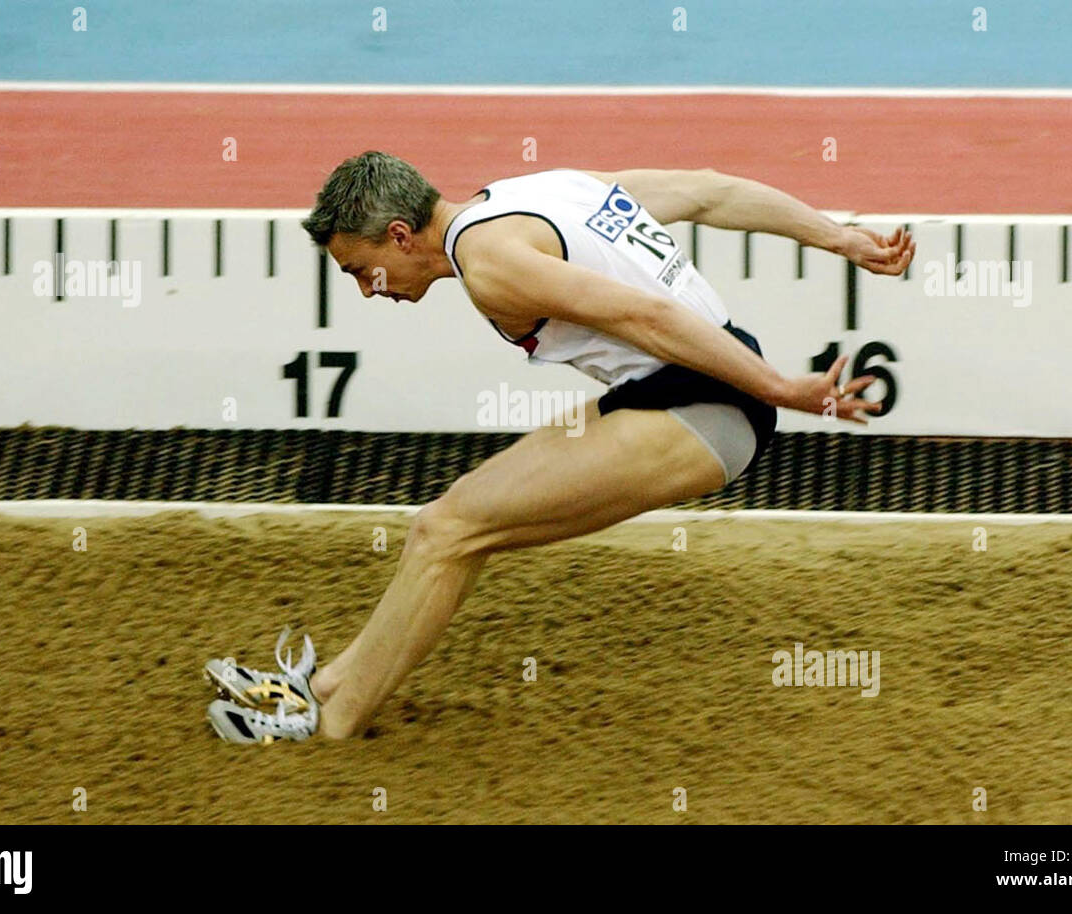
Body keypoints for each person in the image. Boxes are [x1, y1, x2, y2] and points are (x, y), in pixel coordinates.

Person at [204, 151, 914, 744]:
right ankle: (327, 686)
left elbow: (647, 314)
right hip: (675, 392)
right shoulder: (539, 190)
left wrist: (782, 389)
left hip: (707, 404)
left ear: (399, 235)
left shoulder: (489, 264)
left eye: (362, 271)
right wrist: (839, 238)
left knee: (447, 530)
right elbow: (708, 192)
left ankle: (329, 729)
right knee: (450, 528)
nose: (365, 292)